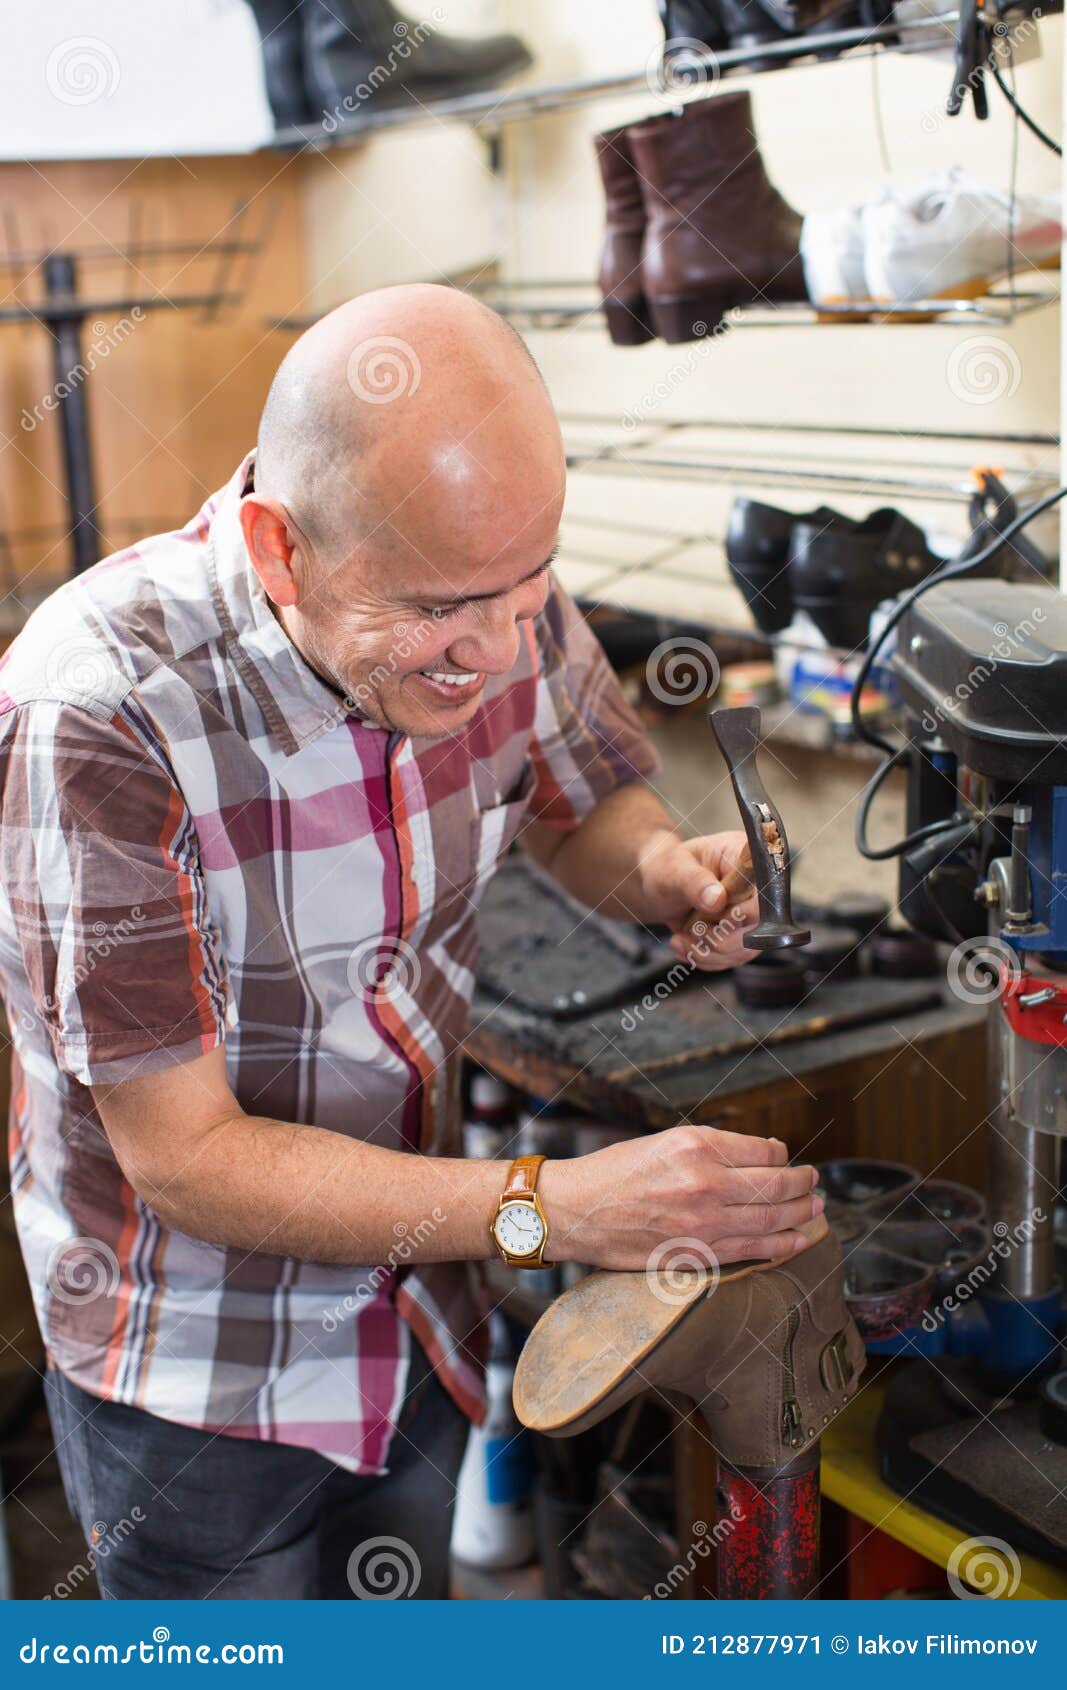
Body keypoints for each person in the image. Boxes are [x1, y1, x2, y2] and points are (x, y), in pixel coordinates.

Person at [0, 284, 823, 1598]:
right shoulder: (99, 714)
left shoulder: (487, 579)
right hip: (200, 1378)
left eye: (528, 590)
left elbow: (580, 798)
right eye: (447, 613)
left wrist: (662, 869)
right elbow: (189, 1160)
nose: (500, 649)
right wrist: (549, 1208)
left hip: (419, 1318)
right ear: (282, 554)